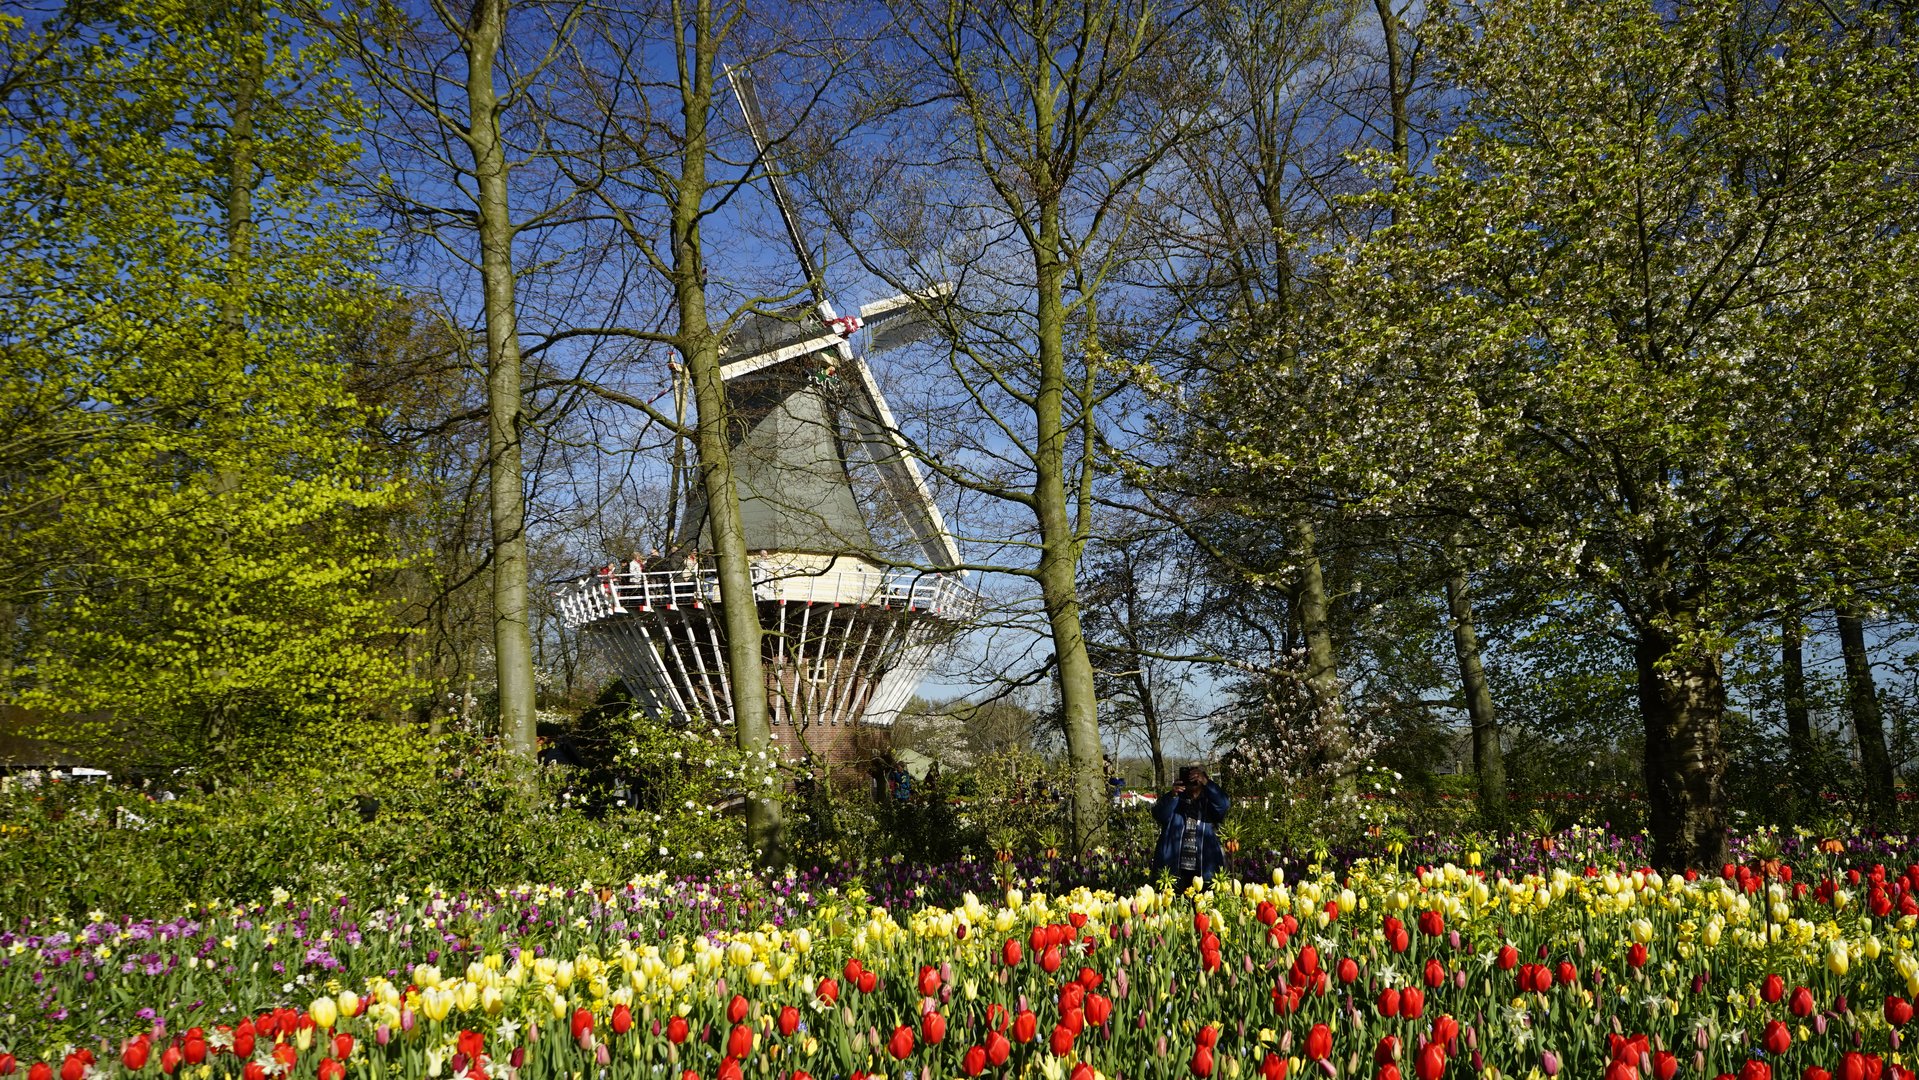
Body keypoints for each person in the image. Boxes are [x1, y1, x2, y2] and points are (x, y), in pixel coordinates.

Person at [1152, 765, 1230, 886]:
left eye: (1197, 776)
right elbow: (1159, 814)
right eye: (1189, 776)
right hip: (1175, 869)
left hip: (1204, 868)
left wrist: (1207, 783)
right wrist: (1173, 795)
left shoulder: (1209, 802)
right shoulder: (1175, 800)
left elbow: (1224, 805)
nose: (1193, 780)